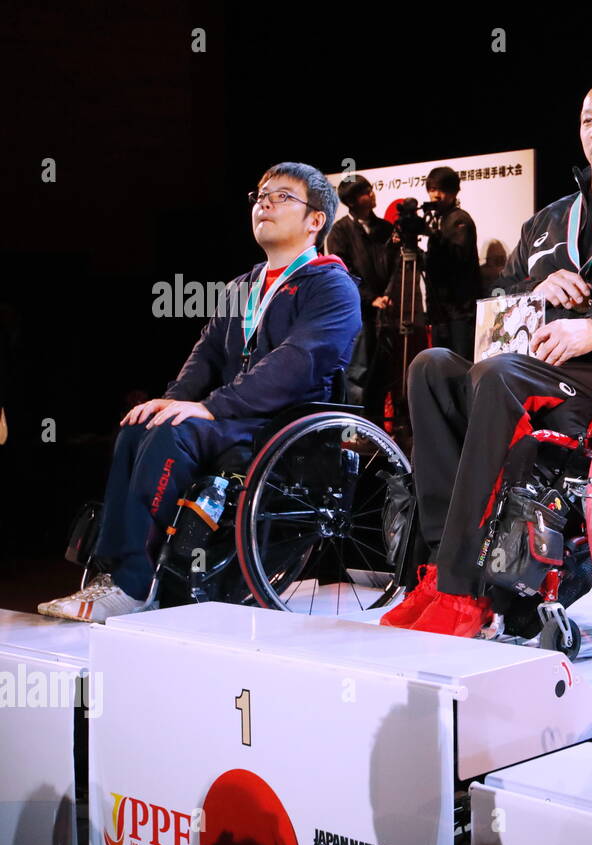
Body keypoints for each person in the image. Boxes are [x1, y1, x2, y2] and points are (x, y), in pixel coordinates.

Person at [381, 79, 592, 636]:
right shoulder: (548, 221)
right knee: (432, 367)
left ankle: (463, 592)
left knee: (498, 374)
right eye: (588, 120)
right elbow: (497, 307)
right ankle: (443, 567)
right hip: (529, 366)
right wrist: (535, 292)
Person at [38, 162, 361, 622]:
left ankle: (133, 585)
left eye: (282, 196)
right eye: (260, 195)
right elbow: (205, 355)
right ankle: (117, 574)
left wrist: (211, 406)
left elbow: (299, 362)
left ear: (316, 221)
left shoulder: (332, 285)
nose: (264, 202)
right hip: (232, 416)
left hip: (282, 425)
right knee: (143, 423)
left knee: (177, 433)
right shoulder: (242, 288)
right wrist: (173, 399)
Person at [327, 175, 395, 418]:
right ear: (353, 201)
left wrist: (387, 296)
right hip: (358, 314)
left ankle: (377, 427)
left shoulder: (387, 229)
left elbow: (397, 267)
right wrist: (369, 298)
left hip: (388, 314)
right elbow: (344, 273)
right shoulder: (339, 232)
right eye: (366, 192)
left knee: (385, 374)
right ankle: (354, 427)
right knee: (358, 372)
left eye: (371, 189)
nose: (372, 194)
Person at [422, 167, 480, 361]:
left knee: (460, 365)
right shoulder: (439, 220)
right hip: (442, 312)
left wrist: (432, 239)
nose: (435, 195)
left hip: (459, 312)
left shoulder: (459, 219)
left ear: (454, 192)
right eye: (431, 189)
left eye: (441, 189)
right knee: (442, 366)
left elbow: (457, 261)